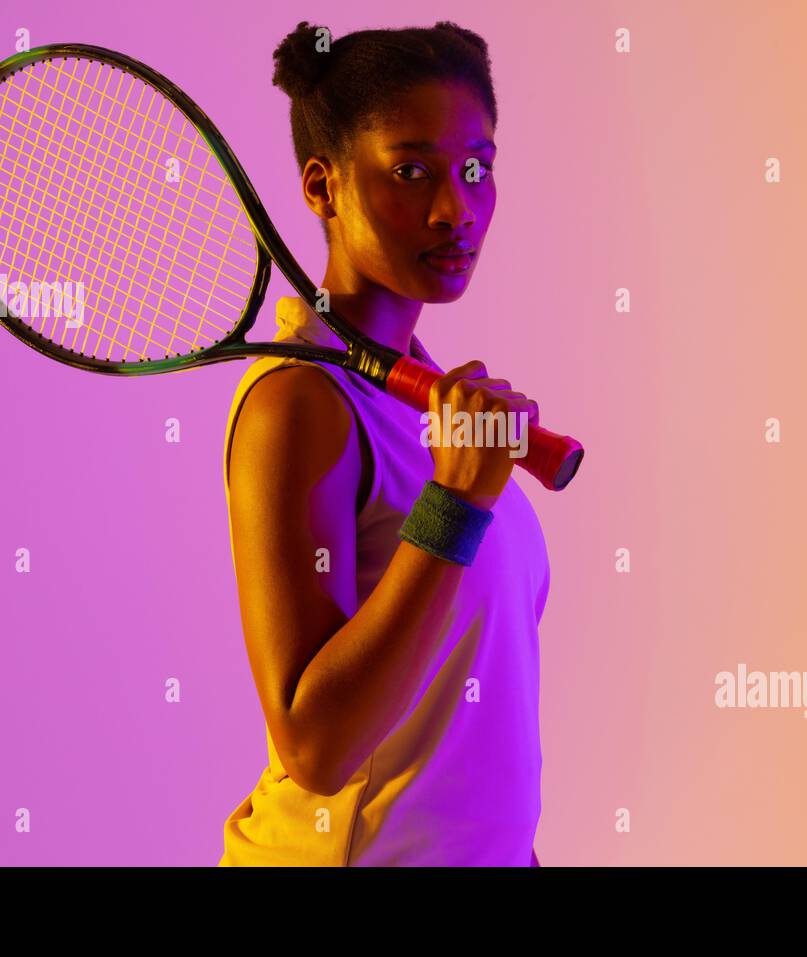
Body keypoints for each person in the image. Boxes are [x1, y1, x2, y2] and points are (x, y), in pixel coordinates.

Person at [218, 20, 549, 866]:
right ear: (323, 187)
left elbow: (470, 744)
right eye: (412, 171)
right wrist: (455, 503)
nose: (456, 207)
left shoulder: (423, 399)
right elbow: (317, 748)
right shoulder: (299, 405)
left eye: (477, 168)